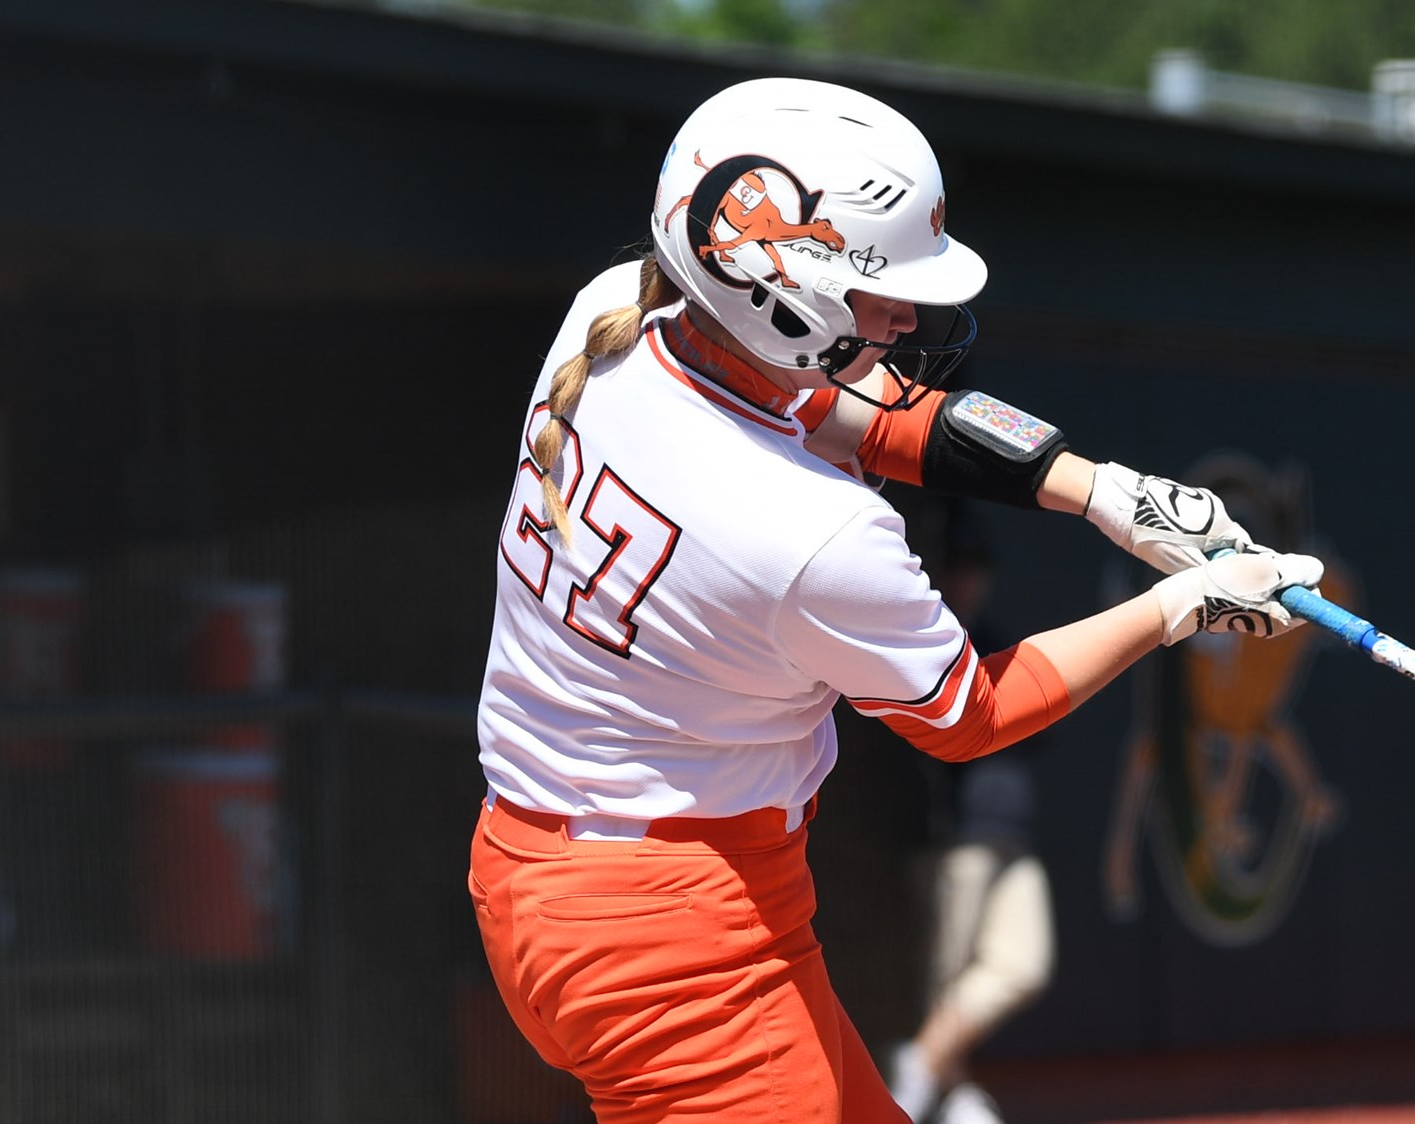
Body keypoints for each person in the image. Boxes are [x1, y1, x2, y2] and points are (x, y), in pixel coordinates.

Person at [468, 76, 1325, 1124]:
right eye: (873, 292)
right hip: (671, 935)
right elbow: (970, 714)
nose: (907, 317)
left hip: (548, 871)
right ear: (765, 285)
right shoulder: (814, 531)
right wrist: (1184, 601)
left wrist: (1106, 493)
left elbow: (852, 413)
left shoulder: (612, 313)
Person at [887, 511, 1055, 1124]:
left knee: (1025, 964)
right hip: (952, 837)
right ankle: (948, 1093)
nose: (968, 581)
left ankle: (924, 1069)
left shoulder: (992, 633)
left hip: (1011, 833)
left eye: (977, 569)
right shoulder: (921, 641)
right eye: (958, 568)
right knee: (946, 979)